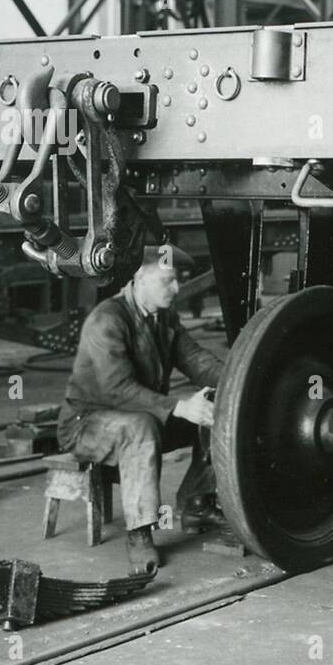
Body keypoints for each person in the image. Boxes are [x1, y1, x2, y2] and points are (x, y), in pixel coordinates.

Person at [57, 244, 225, 574]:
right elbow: (117, 389)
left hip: (143, 413)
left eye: (179, 281)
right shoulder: (107, 320)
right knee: (142, 428)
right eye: (170, 281)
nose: (177, 289)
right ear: (140, 279)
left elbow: (197, 360)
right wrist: (179, 406)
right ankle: (139, 533)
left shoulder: (165, 319)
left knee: (214, 411)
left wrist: (241, 376)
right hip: (86, 422)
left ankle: (196, 503)